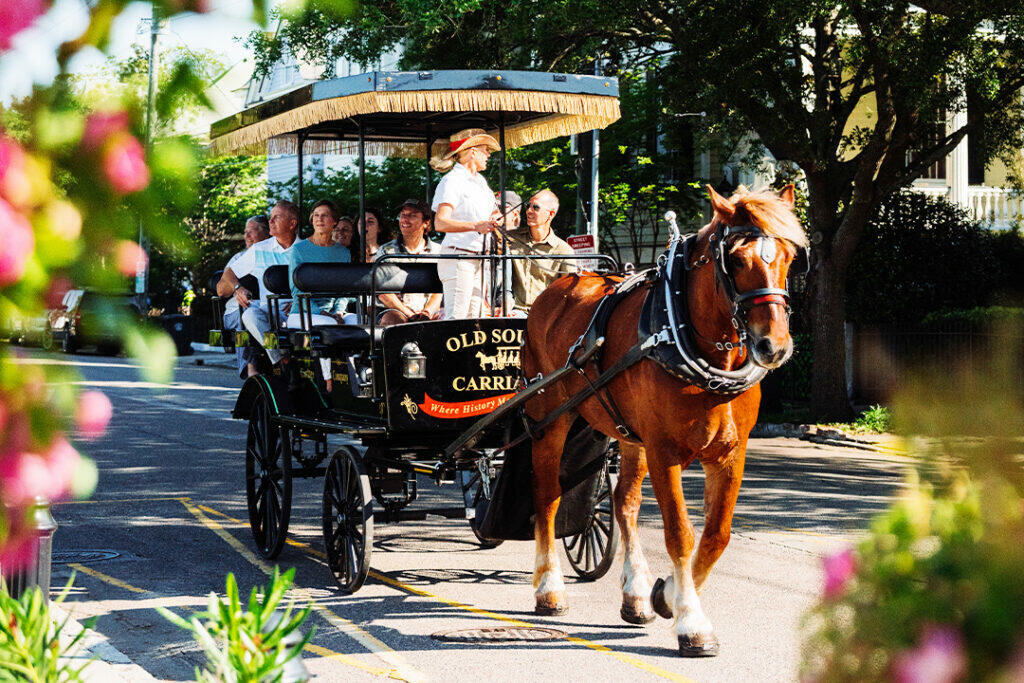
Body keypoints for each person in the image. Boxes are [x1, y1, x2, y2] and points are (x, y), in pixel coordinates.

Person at [217, 200, 303, 374]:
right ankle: (282, 359)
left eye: (276, 218)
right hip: (269, 313)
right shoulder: (259, 249)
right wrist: (237, 288)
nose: (270, 221)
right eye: (270, 218)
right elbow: (229, 274)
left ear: (292, 223)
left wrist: (297, 303)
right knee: (249, 315)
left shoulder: (305, 249)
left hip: (298, 312)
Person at [430, 127, 500, 319]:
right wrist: (476, 226)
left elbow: (490, 213)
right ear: (473, 151)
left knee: (476, 319)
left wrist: (496, 217)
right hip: (459, 257)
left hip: (480, 258)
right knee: (457, 318)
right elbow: (441, 223)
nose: (488, 155)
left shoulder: (481, 182)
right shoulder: (452, 180)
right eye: (486, 149)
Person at [504, 189, 575, 313]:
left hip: (545, 316)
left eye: (535, 207)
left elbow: (569, 292)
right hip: (515, 313)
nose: (528, 211)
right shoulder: (510, 239)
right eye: (528, 206)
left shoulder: (563, 250)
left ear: (550, 214)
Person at [285, 199, 353, 329]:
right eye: (316, 215)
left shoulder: (344, 253)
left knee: (359, 321)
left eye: (324, 215)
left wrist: (338, 311)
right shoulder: (299, 250)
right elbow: (296, 290)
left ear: (334, 221)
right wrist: (322, 313)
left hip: (333, 312)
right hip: (302, 313)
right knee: (331, 324)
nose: (319, 219)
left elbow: (345, 290)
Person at [375, 199, 443, 327]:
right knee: (393, 320)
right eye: (403, 215)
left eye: (412, 215)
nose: (405, 219)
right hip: (395, 310)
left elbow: (439, 291)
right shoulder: (386, 251)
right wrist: (409, 315)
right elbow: (383, 293)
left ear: (426, 223)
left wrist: (427, 313)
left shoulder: (438, 251)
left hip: (430, 312)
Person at [222, 215, 269, 377]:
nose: (246, 236)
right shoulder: (239, 258)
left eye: (251, 232)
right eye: (245, 232)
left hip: (268, 308)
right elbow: (221, 290)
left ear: (267, 234)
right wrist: (238, 288)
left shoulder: (276, 254)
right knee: (247, 311)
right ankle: (251, 366)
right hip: (237, 311)